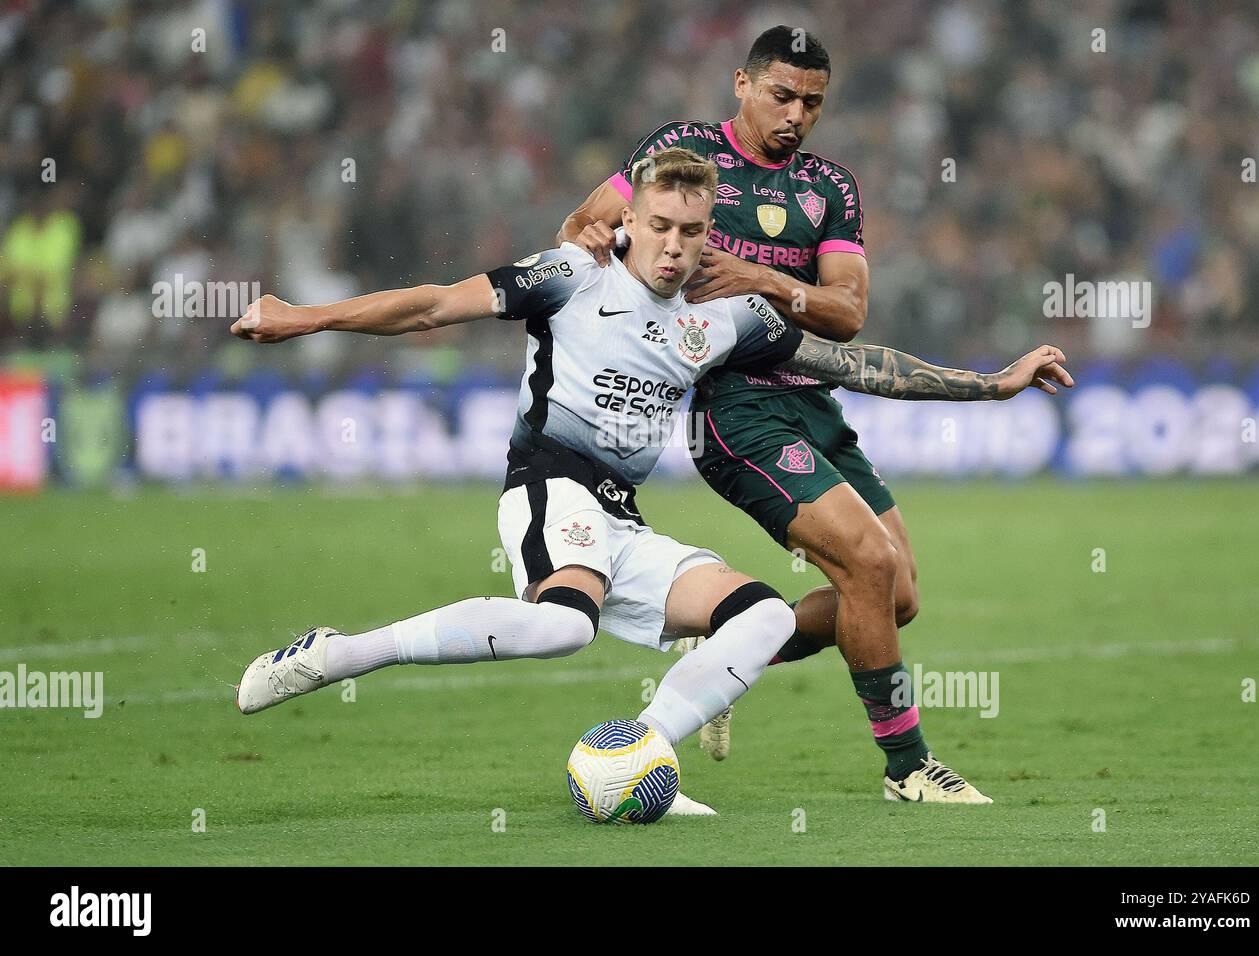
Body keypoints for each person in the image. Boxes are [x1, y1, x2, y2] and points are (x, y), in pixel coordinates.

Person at [232, 148, 1071, 808]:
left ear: (712, 233)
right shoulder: (569, 274)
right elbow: (431, 304)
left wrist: (991, 384)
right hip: (549, 480)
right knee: (565, 625)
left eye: (693, 231)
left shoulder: (729, 317)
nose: (675, 247)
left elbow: (850, 362)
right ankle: (340, 655)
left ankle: (636, 753)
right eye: (660, 225)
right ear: (626, 218)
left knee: (765, 616)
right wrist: (303, 318)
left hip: (620, 514)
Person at [560, 25, 964, 798]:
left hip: (814, 403)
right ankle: (909, 770)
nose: (796, 115)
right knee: (869, 565)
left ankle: (723, 659)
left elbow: (847, 314)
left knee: (897, 594)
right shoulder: (681, 151)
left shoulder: (830, 188)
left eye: (812, 102)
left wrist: (762, 277)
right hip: (736, 413)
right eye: (782, 95)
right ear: (741, 85)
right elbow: (580, 231)